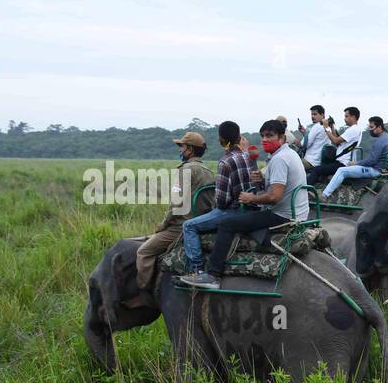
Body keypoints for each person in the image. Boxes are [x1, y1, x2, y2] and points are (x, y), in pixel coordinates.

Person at [180, 120, 310, 289]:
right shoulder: (286, 154)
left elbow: (274, 197)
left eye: (269, 136)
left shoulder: (278, 159)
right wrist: (262, 182)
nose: (264, 139)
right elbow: (278, 188)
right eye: (263, 135)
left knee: (225, 224)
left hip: (281, 215)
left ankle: (211, 274)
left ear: (282, 138)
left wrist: (251, 198)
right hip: (296, 211)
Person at [133, 130, 214, 292]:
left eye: (182, 146)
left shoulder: (185, 170)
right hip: (201, 223)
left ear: (190, 149)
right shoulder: (208, 171)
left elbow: (176, 203)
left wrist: (164, 224)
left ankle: (144, 292)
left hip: (180, 226)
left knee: (144, 251)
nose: (180, 150)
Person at [179, 120, 258, 277]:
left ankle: (197, 269)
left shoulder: (225, 161)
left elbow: (222, 201)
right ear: (238, 137)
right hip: (252, 208)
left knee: (189, 226)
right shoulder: (247, 155)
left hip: (234, 210)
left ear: (221, 140)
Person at [322, 117, 388, 197]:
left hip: (375, 170)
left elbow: (371, 161)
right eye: (369, 127)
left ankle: (324, 195)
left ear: (379, 127)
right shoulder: (387, 138)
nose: (370, 130)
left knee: (341, 171)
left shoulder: (380, 141)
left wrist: (356, 163)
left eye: (372, 127)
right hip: (383, 169)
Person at [311, 107, 363, 183]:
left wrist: (326, 128)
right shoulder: (355, 129)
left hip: (343, 163)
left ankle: (306, 189)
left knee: (316, 169)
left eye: (346, 116)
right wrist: (332, 127)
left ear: (353, 117)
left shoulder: (353, 129)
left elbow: (335, 141)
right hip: (343, 162)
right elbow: (339, 143)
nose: (345, 119)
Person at [298, 105, 329, 171]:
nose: (312, 116)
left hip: (310, 161)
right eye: (312, 114)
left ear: (322, 115)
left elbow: (304, 144)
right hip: (319, 162)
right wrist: (305, 133)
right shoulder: (328, 127)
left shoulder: (317, 126)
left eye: (315, 114)